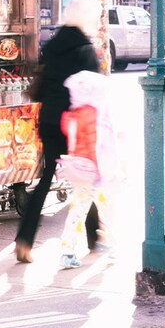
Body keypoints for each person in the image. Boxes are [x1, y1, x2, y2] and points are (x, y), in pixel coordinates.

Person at [14, 0, 102, 264]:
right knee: (88, 179)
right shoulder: (85, 51)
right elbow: (95, 94)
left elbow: (40, 86)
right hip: (75, 127)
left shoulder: (53, 45)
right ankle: (95, 238)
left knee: (45, 180)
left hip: (49, 121)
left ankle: (24, 240)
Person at [57, 69, 122, 268]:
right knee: (107, 209)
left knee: (77, 210)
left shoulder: (74, 114)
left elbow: (70, 134)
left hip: (79, 170)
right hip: (95, 172)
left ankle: (67, 251)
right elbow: (100, 145)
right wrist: (106, 171)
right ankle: (114, 247)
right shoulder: (97, 115)